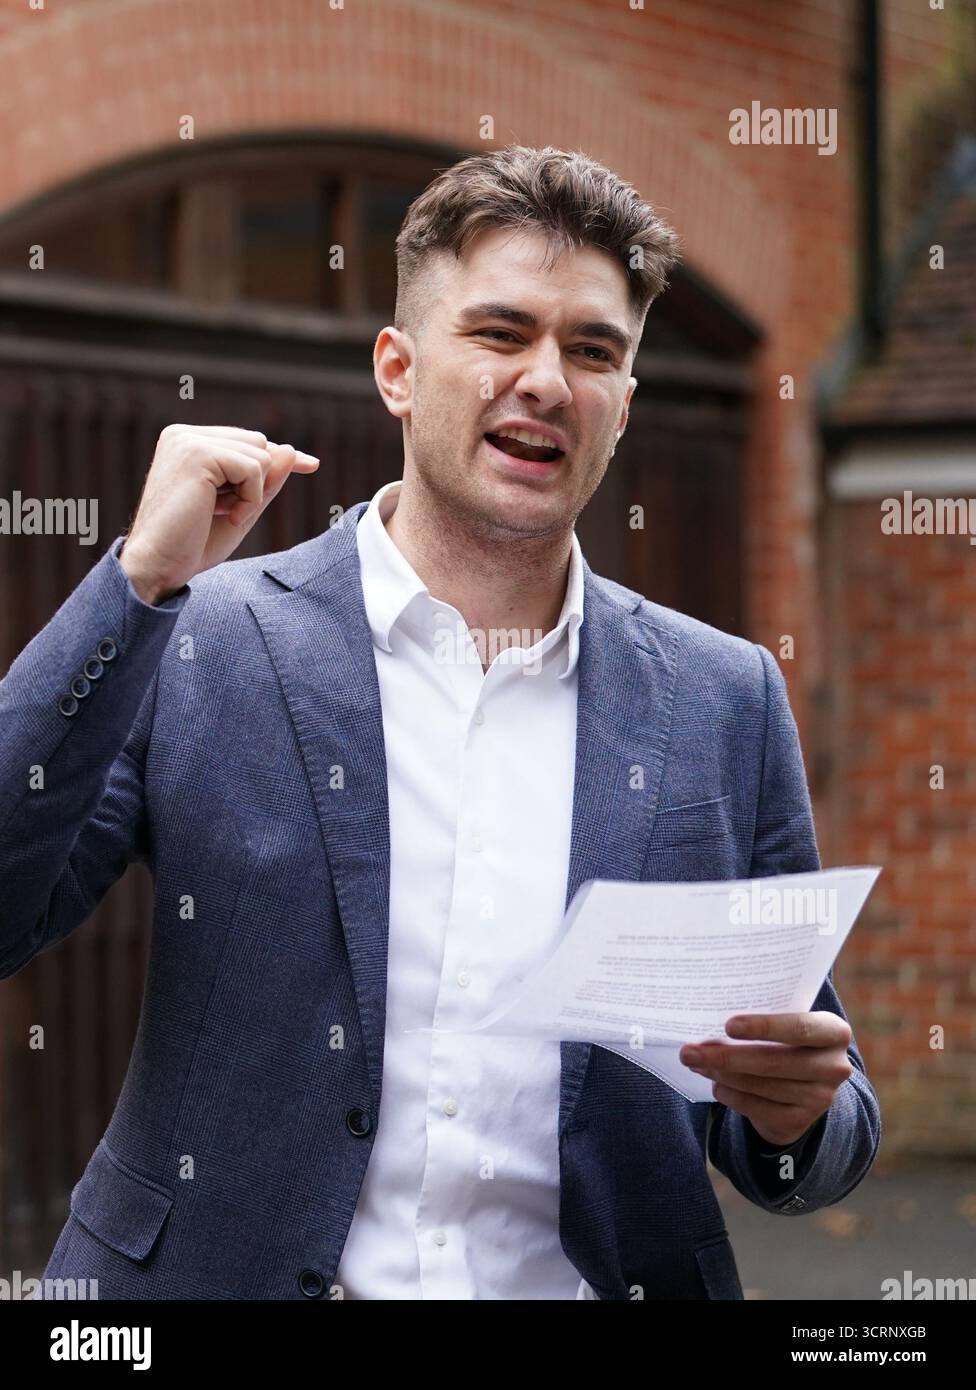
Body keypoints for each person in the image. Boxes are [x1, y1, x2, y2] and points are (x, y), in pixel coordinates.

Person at [0, 145, 880, 1300]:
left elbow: (813, 1097)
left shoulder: (721, 699)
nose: (547, 381)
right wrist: (133, 587)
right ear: (399, 371)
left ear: (622, 404)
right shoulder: (204, 636)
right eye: (500, 332)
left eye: (593, 350)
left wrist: (799, 1120)